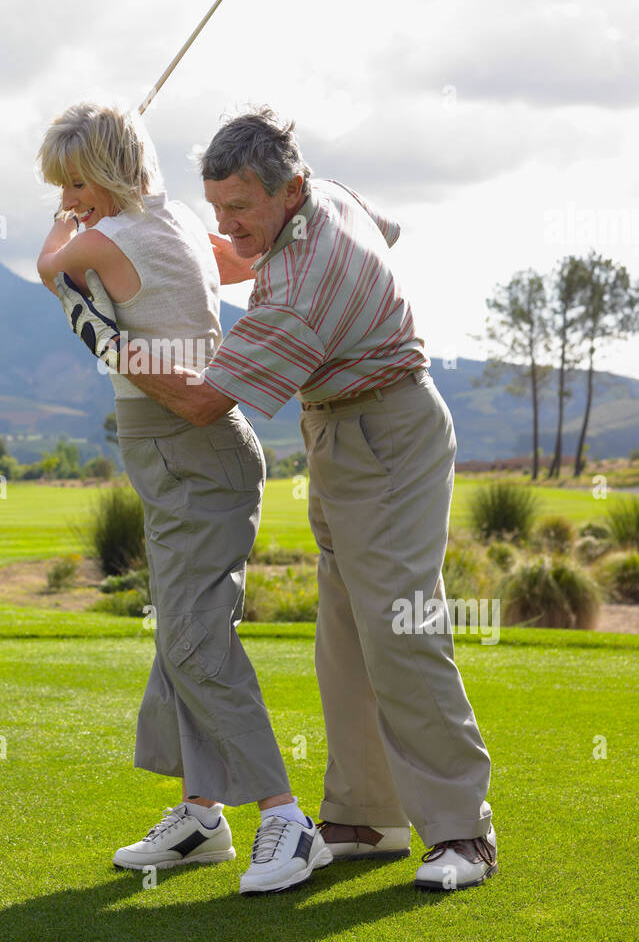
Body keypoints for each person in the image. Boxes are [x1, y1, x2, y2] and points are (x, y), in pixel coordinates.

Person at [59, 105, 496, 892]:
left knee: (401, 627)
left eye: (240, 210)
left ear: (288, 191)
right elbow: (383, 228)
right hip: (339, 429)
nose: (225, 227)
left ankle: (463, 830)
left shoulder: (296, 289)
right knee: (344, 637)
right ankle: (365, 817)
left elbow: (198, 403)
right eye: (216, 207)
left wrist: (102, 334)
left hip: (389, 430)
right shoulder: (327, 192)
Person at [35, 100, 333, 894]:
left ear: (103, 173)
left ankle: (285, 818)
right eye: (65, 188)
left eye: (77, 182)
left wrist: (62, 218)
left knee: (196, 640)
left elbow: (48, 264)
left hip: (184, 452)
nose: (71, 198)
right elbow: (227, 266)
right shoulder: (168, 226)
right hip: (194, 454)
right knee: (183, 629)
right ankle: (200, 815)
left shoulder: (109, 236)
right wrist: (92, 200)